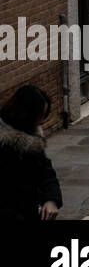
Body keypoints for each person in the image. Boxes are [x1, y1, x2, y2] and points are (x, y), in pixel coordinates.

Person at [0, 85, 62, 220]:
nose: (41, 121)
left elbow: (47, 173)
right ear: (26, 114)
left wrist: (51, 200)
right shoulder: (4, 146)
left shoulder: (33, 138)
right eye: (39, 116)